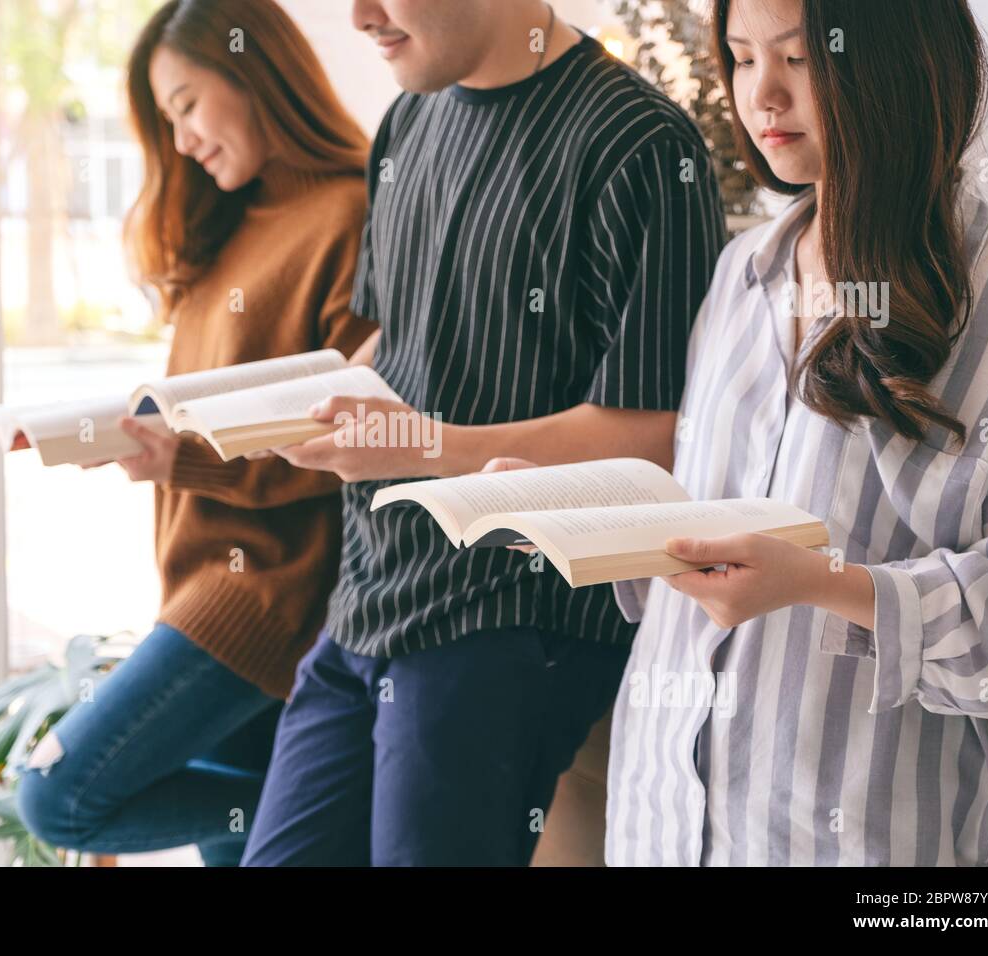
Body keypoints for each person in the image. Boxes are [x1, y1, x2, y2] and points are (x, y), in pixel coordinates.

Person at [241, 0, 726, 866]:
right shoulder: (407, 119)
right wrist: (300, 403)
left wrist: (423, 447)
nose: (359, 17)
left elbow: (652, 438)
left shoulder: (641, 144)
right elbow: (397, 341)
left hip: (506, 618)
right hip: (369, 593)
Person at [598, 0, 988, 865]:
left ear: (897, 64)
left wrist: (820, 583)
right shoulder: (742, 272)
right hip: (660, 825)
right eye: (741, 57)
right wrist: (586, 520)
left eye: (799, 60)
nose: (761, 94)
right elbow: (699, 535)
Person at [15, 0, 377, 866]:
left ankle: (328, 813)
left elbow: (355, 431)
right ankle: (309, 815)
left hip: (267, 598)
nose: (180, 142)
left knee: (57, 795)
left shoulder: (352, 214)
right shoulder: (230, 225)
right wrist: (142, 437)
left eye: (186, 106)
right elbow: (219, 404)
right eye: (166, 120)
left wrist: (188, 460)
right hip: (198, 581)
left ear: (255, 75)